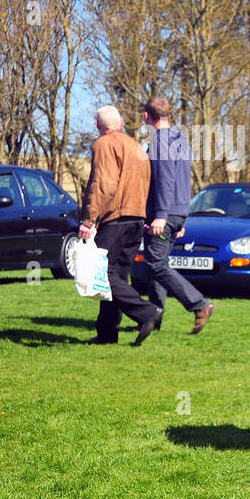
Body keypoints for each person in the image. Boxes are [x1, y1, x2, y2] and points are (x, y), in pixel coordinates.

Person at [79, 105, 162, 345]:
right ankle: (107, 334)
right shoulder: (137, 147)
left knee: (103, 274)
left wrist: (88, 220)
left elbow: (103, 185)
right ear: (122, 122)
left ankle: (146, 312)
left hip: (115, 218)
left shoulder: (103, 145)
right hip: (137, 218)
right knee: (118, 275)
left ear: (97, 125)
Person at [142, 98, 214, 333]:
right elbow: (183, 180)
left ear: (146, 117)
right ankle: (153, 317)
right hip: (177, 212)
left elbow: (165, 181)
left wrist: (162, 215)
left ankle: (199, 304)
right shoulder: (181, 141)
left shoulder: (161, 142)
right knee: (157, 265)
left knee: (155, 265)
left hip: (164, 213)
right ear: (169, 116)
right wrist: (181, 216)